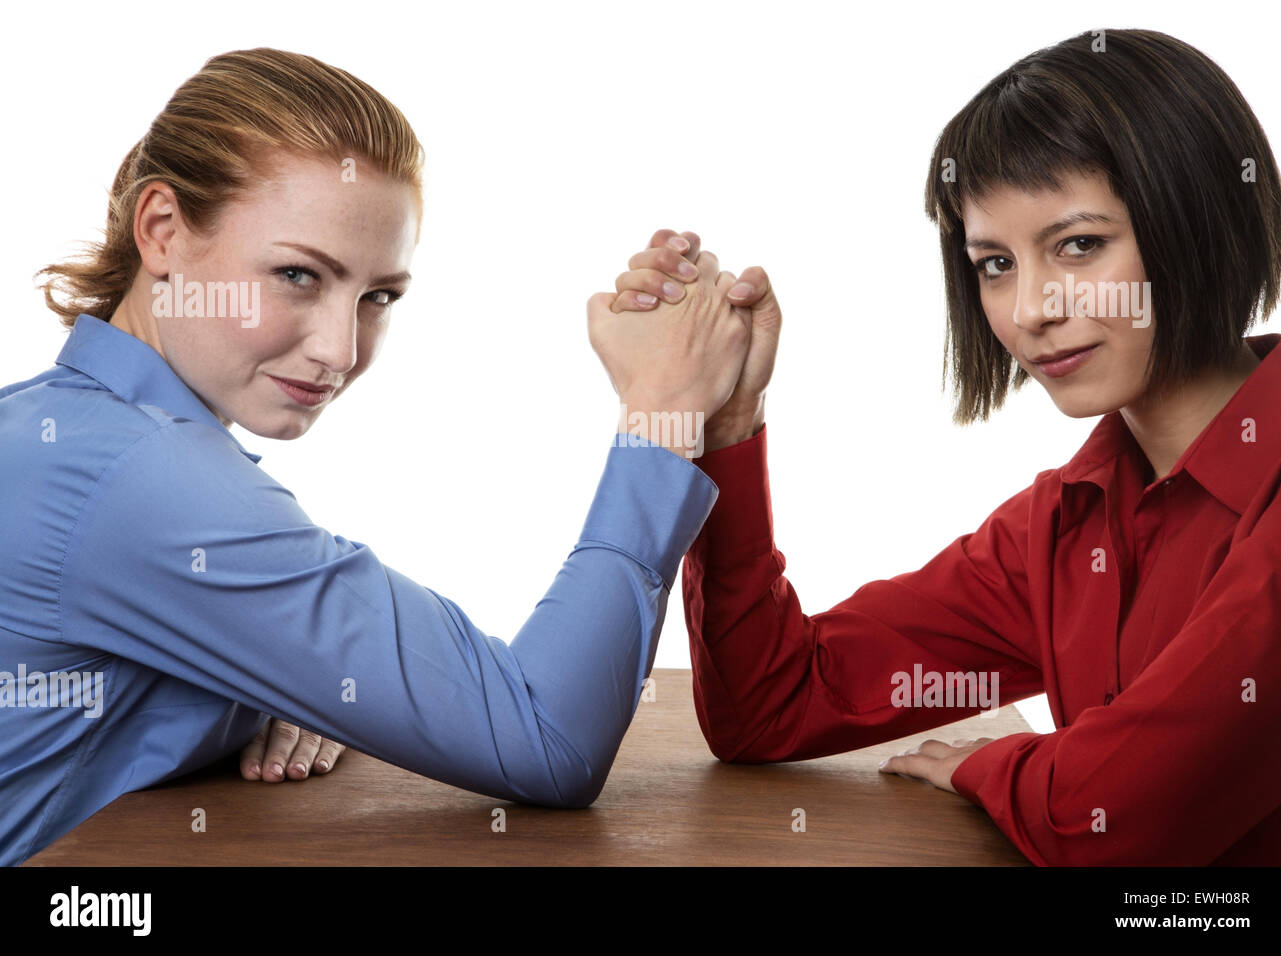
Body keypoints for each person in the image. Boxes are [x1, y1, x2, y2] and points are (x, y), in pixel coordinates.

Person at [0, 48, 752, 866]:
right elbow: (548, 737)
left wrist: (276, 687)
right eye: (295, 274)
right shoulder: (145, 479)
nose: (338, 349)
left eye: (378, 297)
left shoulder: (56, 427)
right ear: (163, 232)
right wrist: (667, 408)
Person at [613, 28, 1281, 864]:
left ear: (1199, 218)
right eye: (995, 263)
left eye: (1079, 245)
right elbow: (770, 703)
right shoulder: (1060, 529)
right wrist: (727, 423)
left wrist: (993, 764)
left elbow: (1116, 818)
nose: (1030, 309)